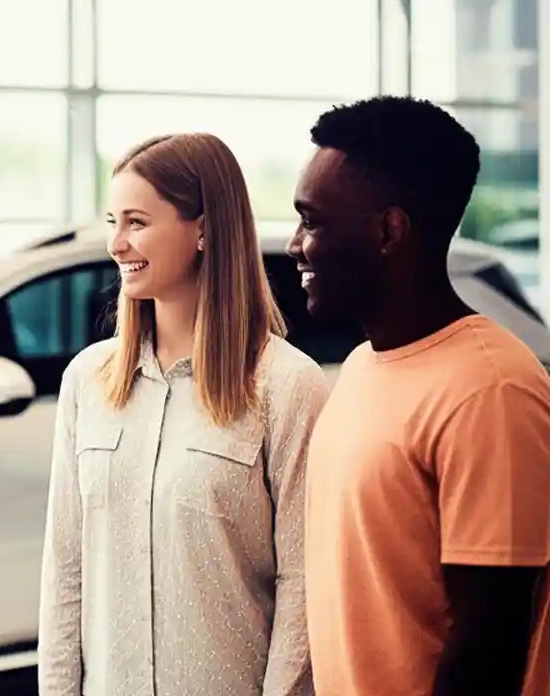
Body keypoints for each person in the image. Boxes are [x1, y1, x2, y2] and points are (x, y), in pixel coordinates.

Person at [38, 132, 329, 695]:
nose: (116, 244)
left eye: (137, 222)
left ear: (204, 228)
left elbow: (304, 588)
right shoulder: (87, 382)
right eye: (112, 221)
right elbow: (65, 571)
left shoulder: (287, 386)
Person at [291, 95, 550, 696]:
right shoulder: (360, 368)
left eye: (313, 220)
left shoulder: (492, 389)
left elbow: (490, 646)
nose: (299, 245)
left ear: (390, 230)